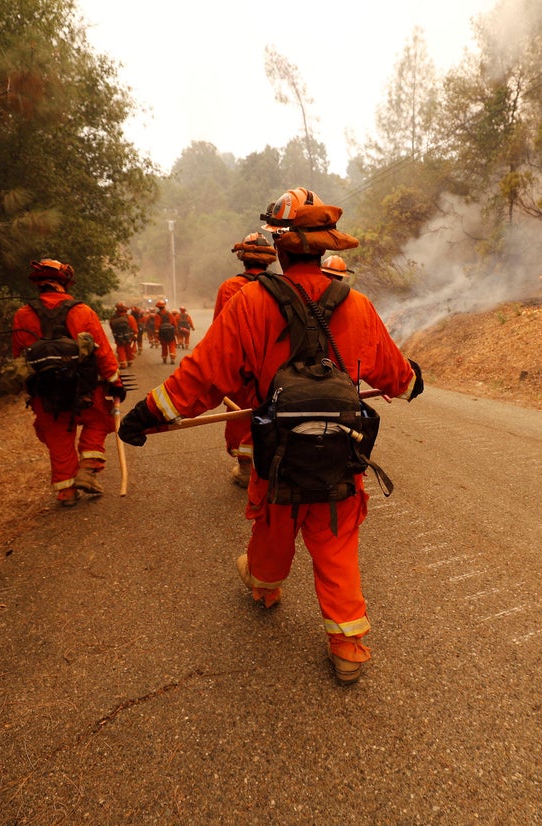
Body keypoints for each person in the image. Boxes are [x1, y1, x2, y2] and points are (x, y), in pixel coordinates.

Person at [119, 188, 423, 684]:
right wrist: (413, 380)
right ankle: (347, 646)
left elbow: (200, 378)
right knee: (336, 538)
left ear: (278, 247)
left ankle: (264, 588)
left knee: (273, 522)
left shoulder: (249, 303)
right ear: (326, 249)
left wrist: (147, 415)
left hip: (278, 455)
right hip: (339, 458)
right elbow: (394, 373)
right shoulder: (359, 304)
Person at [12, 258, 126, 506]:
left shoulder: (22, 315)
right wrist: (114, 381)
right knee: (98, 421)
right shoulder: (82, 311)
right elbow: (102, 352)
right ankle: (87, 469)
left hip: (45, 392)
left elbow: (18, 357)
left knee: (57, 437)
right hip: (85, 389)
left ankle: (66, 492)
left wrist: (29, 391)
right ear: (65, 283)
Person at [216, 232, 277, 486]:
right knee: (272, 413)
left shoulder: (230, 288)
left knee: (240, 416)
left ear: (242, 257)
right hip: (273, 367)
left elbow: (219, 334)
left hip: (240, 370)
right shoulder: (280, 287)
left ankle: (245, 470)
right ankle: (269, 466)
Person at [110, 301, 138, 369]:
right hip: (129, 337)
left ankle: (123, 363)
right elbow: (134, 328)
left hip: (119, 337)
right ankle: (130, 361)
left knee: (120, 349)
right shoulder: (130, 317)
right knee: (129, 349)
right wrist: (135, 335)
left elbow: (112, 327)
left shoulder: (113, 318)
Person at [154, 300, 178, 364]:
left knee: (164, 346)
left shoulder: (157, 315)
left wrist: (156, 334)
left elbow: (157, 325)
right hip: (170, 332)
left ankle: (164, 358)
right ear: (164, 306)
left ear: (158, 307)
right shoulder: (169, 313)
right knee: (172, 345)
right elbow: (174, 322)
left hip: (162, 333)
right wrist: (175, 330)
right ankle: (172, 358)